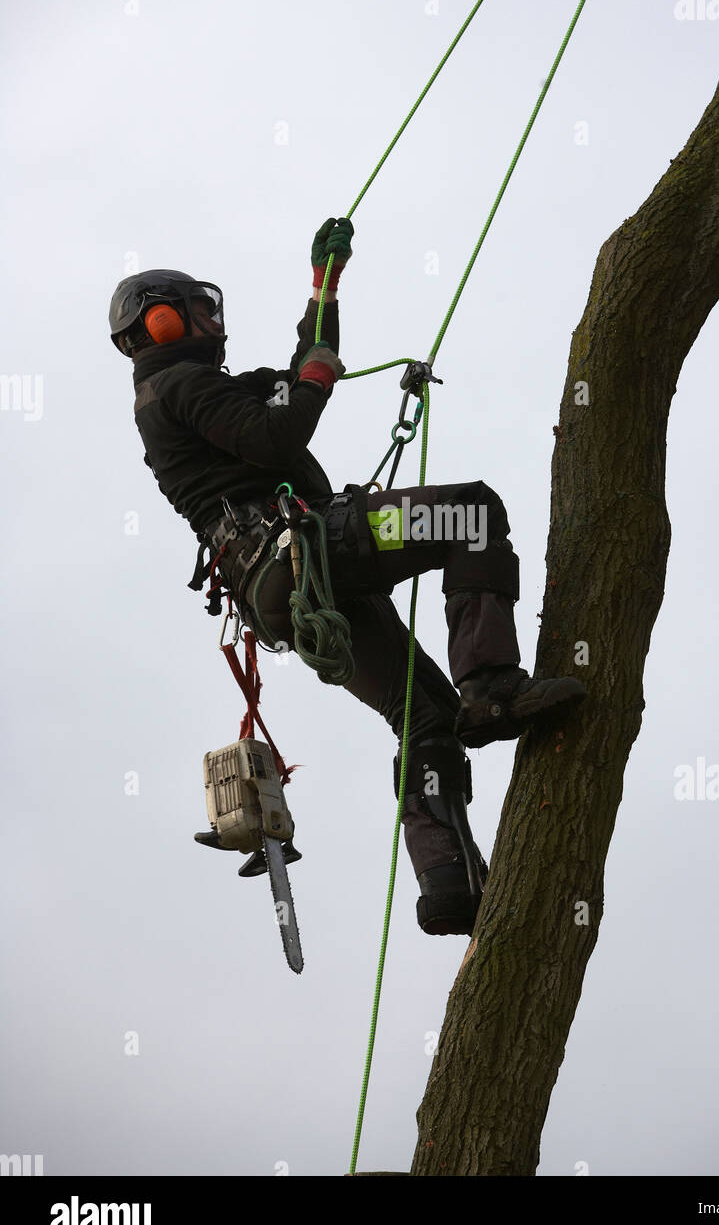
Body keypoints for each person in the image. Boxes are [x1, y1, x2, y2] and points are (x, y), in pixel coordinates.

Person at [109, 219, 585, 937]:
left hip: (290, 583)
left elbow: (305, 365)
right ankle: (491, 688)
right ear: (164, 320)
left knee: (423, 716)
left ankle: (449, 886)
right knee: (470, 515)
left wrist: (323, 287)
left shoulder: (193, 393)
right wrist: (313, 382)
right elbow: (280, 430)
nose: (213, 322)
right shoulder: (178, 388)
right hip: (302, 551)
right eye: (198, 309)